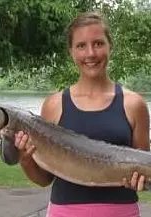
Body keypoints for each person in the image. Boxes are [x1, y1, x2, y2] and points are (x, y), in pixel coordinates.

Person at [11, 11, 150, 217]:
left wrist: (141, 182)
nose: (90, 54)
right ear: (71, 52)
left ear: (110, 46)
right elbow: (44, 179)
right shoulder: (54, 105)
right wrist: (25, 159)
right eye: (81, 46)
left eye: (98, 43)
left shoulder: (134, 104)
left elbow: (145, 170)